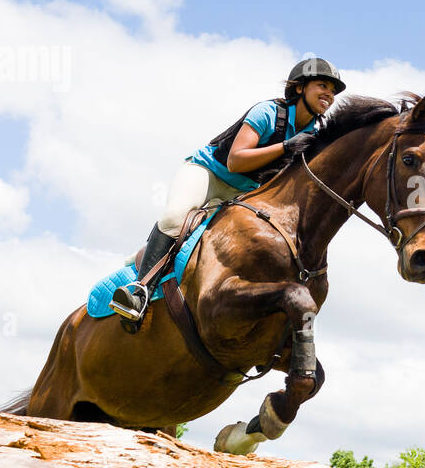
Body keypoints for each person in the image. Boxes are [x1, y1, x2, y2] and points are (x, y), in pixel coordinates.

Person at [109, 57, 346, 321]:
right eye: (322, 85)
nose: (329, 94)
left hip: (245, 192)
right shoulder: (268, 112)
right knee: (176, 218)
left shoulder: (315, 131)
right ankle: (139, 291)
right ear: (300, 87)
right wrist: (286, 146)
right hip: (209, 173)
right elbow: (235, 161)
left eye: (333, 91)